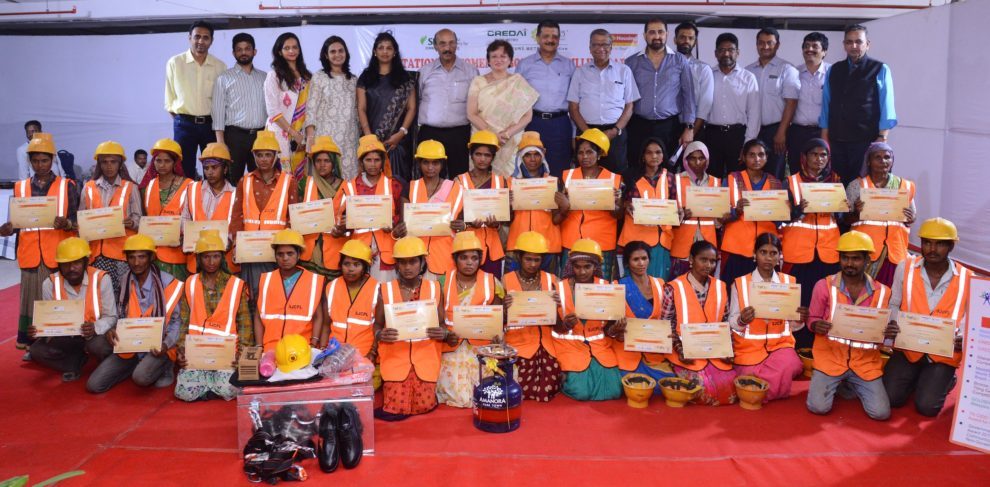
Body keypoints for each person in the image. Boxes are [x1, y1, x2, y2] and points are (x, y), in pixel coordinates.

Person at [806, 230, 896, 421]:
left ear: (867, 260)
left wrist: (889, 334)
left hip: (865, 362)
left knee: (881, 413)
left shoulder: (883, 292)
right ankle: (841, 383)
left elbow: (886, 336)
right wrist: (815, 325)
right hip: (830, 358)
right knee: (818, 407)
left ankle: (847, 384)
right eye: (845, 258)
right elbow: (812, 318)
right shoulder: (823, 286)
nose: (849, 263)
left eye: (856, 259)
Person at [885, 218, 971, 417]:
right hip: (908, 349)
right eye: (927, 242)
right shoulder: (905, 267)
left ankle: (947, 380)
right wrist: (894, 323)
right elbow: (894, 303)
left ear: (951, 246)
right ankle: (920, 378)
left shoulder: (967, 277)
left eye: (940, 243)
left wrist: (963, 339)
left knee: (927, 407)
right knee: (891, 398)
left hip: (942, 354)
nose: (932, 249)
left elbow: (969, 317)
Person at [1, 133, 79, 352]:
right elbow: (17, 221)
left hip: (58, 253)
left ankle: (56, 344)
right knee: (30, 299)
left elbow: (77, 220)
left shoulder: (67, 186)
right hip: (30, 252)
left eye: (44, 160)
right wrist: (9, 228)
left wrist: (67, 223)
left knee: (56, 298)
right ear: (29, 161)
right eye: (35, 160)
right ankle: (31, 344)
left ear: (52, 159)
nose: (40, 165)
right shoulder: (21, 187)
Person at [87, 234, 184, 394]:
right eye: (131, 257)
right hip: (131, 346)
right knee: (94, 385)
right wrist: (113, 329)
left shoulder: (168, 283)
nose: (136, 263)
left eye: (141, 257)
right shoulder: (125, 280)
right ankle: (132, 365)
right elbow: (121, 315)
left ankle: (165, 366)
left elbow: (176, 323)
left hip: (159, 345)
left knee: (141, 378)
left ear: (151, 257)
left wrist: (166, 345)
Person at [374, 236, 447, 420]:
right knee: (394, 408)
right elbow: (377, 325)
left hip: (424, 357)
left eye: (413, 261)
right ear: (396, 265)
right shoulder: (385, 289)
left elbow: (443, 324)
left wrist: (443, 332)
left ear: (422, 262)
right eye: (403, 262)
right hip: (396, 357)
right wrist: (380, 334)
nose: (408, 267)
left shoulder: (435, 287)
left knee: (425, 405)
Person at [175, 230, 253, 401]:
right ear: (198, 258)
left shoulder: (236, 284)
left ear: (222, 257)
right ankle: (211, 386)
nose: (211, 262)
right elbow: (184, 321)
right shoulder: (190, 282)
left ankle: (208, 387)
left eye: (216, 256)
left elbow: (245, 325)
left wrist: (240, 356)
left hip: (227, 355)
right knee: (183, 392)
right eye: (206, 257)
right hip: (197, 355)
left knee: (230, 389)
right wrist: (181, 351)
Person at [729, 233, 807, 402]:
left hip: (780, 348)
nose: (768, 258)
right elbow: (732, 322)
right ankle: (770, 386)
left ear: (779, 257)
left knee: (790, 364)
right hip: (748, 351)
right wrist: (742, 320)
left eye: (773, 253)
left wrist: (800, 319)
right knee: (758, 373)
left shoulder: (789, 282)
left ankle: (753, 391)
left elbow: (793, 327)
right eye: (763, 252)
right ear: (754, 255)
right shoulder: (740, 283)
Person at [28, 238, 116, 382]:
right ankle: (75, 363)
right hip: (65, 338)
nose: (71, 268)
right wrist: (38, 331)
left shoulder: (101, 279)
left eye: (76, 263)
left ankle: (76, 359)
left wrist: (94, 327)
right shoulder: (49, 284)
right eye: (66, 264)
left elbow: (112, 316)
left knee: (102, 348)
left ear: (85, 262)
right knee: (36, 351)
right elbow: (48, 321)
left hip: (93, 336)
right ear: (59, 266)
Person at [781, 138, 842, 348]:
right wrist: (797, 210)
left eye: (823, 155)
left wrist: (846, 208)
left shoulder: (835, 181)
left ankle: (823, 347)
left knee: (825, 302)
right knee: (799, 304)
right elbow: (777, 217)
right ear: (804, 158)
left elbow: (842, 219)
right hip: (798, 253)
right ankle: (798, 347)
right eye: (814, 154)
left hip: (829, 253)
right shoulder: (789, 183)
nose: (819, 159)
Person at [821, 25, 897, 185]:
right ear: (844, 45)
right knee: (837, 186)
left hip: (866, 141)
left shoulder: (880, 69)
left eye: (858, 42)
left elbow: (887, 105)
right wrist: (824, 135)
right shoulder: (834, 69)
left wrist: (882, 137)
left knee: (861, 188)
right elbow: (827, 104)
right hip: (836, 140)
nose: (853, 46)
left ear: (867, 44)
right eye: (849, 42)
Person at [437, 231, 504, 408]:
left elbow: (497, 319)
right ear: (455, 259)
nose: (469, 262)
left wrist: (497, 336)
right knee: (460, 395)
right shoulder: (442, 281)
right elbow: (438, 319)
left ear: (480, 260)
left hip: (481, 344)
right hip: (452, 344)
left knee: (488, 385)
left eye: (474, 258)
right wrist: (445, 333)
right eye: (464, 257)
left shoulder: (492, 282)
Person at [230, 130, 299, 302]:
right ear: (254, 156)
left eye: (268, 155)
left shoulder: (288, 182)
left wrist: (288, 249)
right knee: (253, 296)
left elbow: (293, 218)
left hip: (277, 252)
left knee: (276, 296)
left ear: (276, 156)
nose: (264, 159)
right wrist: (235, 245)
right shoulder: (244, 181)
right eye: (260, 155)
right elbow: (237, 217)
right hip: (250, 252)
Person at [665, 240, 737, 406]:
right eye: (703, 260)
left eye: (712, 261)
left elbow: (725, 322)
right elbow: (666, 324)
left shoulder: (720, 286)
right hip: (684, 352)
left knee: (731, 389)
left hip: (714, 352)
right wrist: (680, 349)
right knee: (703, 389)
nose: (708, 265)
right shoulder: (674, 287)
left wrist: (729, 349)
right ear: (691, 259)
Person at [554, 239, 622, 401]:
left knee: (615, 390)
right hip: (570, 347)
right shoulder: (559, 288)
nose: (582, 272)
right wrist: (565, 325)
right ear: (571, 266)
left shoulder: (606, 287)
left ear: (595, 267)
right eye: (577, 267)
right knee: (580, 392)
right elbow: (554, 327)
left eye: (587, 267)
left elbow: (608, 328)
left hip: (599, 347)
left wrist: (616, 327)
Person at [625, 18, 696, 172]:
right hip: (638, 125)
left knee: (668, 169)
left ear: (667, 35)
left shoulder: (680, 60)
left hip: (669, 127)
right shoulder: (631, 63)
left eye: (660, 32)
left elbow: (688, 96)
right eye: (652, 32)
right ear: (645, 36)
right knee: (637, 167)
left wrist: (689, 127)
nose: (656, 36)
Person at [568, 29, 640, 175]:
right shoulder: (580, 72)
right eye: (596, 44)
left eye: (605, 44)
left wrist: (615, 130)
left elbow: (630, 105)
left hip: (614, 133)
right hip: (586, 133)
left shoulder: (624, 71)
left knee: (617, 175)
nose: (601, 48)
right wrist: (589, 134)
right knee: (585, 175)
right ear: (589, 48)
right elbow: (573, 107)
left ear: (611, 47)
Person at [503, 231, 563, 402]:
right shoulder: (505, 280)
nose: (532, 264)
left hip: (544, 341)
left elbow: (560, 325)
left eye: (537, 260)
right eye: (528, 259)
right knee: (517, 379)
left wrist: (558, 306)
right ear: (519, 258)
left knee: (549, 380)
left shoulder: (553, 280)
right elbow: (500, 320)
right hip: (517, 341)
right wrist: (505, 308)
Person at [846, 142, 915, 286]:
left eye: (887, 157)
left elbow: (912, 217)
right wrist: (856, 213)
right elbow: (845, 220)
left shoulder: (906, 186)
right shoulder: (856, 186)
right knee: (865, 294)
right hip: (865, 250)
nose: (883, 161)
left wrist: (911, 217)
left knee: (891, 295)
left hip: (895, 250)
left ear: (892, 161)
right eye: (877, 157)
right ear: (869, 161)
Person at [557, 129, 623, 280]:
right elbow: (558, 210)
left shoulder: (615, 179)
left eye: (589, 152)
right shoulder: (566, 176)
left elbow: (619, 215)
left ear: (599, 154)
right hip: (571, 240)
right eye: (580, 152)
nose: (584, 156)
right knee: (569, 287)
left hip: (602, 242)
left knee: (600, 289)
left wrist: (614, 203)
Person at [467, 40, 538, 178]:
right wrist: (492, 135)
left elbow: (527, 116)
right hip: (483, 139)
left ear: (510, 60)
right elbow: (471, 113)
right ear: (488, 60)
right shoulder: (478, 82)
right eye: (494, 56)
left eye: (503, 56)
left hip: (509, 142)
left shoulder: (518, 82)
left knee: (509, 183)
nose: (498, 60)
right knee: (481, 179)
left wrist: (506, 134)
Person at [165, 21, 225, 179]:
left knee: (214, 170)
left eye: (206, 37)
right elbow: (170, 100)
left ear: (211, 41)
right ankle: (187, 203)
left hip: (210, 125)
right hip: (184, 125)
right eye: (197, 36)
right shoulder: (175, 63)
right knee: (184, 171)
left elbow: (222, 102)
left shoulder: (220, 66)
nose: (201, 41)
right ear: (189, 38)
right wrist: (184, 119)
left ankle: (211, 203)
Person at [80, 141, 142, 297]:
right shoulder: (88, 187)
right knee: (100, 297)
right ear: (99, 164)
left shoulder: (130, 187)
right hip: (96, 254)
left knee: (122, 296)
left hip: (121, 254)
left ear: (120, 163)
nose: (109, 166)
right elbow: (81, 218)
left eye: (113, 162)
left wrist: (132, 222)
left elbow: (139, 219)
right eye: (104, 162)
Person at [394, 140, 462, 279]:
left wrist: (463, 225)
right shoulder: (410, 187)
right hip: (414, 259)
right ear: (419, 163)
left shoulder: (456, 188)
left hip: (446, 255)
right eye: (426, 162)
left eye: (435, 163)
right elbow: (402, 224)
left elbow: (463, 222)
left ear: (442, 164)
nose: (430, 167)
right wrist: (397, 231)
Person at [613, 241, 676, 388]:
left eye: (644, 258)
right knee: (629, 383)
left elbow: (669, 317)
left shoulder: (661, 284)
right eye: (636, 259)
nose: (641, 263)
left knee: (668, 383)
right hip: (627, 347)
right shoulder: (617, 286)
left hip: (656, 348)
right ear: (627, 263)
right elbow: (613, 324)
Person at [340, 135, 403, 282]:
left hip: (385, 252)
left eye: (377, 160)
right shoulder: (349, 186)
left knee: (385, 294)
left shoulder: (394, 185)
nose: (373, 164)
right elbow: (338, 218)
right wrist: (344, 224)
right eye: (368, 160)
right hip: (357, 252)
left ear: (383, 162)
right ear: (361, 162)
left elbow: (402, 218)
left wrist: (394, 226)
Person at [517, 20, 576, 177]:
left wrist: (574, 133)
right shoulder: (524, 65)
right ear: (537, 38)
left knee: (560, 169)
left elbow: (574, 103)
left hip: (560, 124)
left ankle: (558, 201)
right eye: (546, 36)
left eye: (555, 37)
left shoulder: (569, 65)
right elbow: (515, 100)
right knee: (531, 168)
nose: (550, 40)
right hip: (533, 122)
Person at [720, 139, 783, 286]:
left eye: (761, 155)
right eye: (752, 155)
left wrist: (780, 212)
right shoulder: (731, 179)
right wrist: (736, 211)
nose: (757, 159)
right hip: (735, 248)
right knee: (733, 294)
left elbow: (781, 222)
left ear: (767, 157)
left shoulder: (776, 183)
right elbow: (719, 216)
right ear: (743, 157)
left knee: (763, 297)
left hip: (766, 251)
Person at [417, 29, 478, 178]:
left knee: (460, 178)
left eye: (451, 43)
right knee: (430, 180)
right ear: (435, 46)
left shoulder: (471, 72)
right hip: (430, 133)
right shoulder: (424, 72)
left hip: (460, 134)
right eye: (442, 43)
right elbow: (416, 100)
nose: (447, 48)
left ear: (457, 44)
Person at [254, 229, 327, 351]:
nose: (285, 258)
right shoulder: (266, 279)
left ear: (299, 254)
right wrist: (259, 346)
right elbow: (258, 315)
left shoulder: (313, 280)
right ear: (275, 256)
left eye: (290, 253)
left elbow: (318, 316)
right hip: (270, 349)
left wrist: (313, 343)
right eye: (280, 254)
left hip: (301, 350)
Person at [357, 33, 416, 183]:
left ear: (395, 52)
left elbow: (411, 108)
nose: (385, 51)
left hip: (397, 142)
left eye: (389, 48)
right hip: (370, 140)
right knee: (370, 184)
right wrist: (370, 139)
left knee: (397, 184)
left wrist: (401, 133)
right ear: (375, 51)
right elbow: (361, 108)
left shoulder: (405, 78)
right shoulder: (366, 77)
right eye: (381, 48)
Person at [701, 33, 760, 179]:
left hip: (738, 135)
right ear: (716, 53)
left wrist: (747, 144)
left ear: (737, 53)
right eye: (721, 50)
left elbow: (754, 114)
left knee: (739, 179)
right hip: (712, 135)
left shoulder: (748, 77)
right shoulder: (708, 75)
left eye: (730, 50)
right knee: (712, 179)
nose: (726, 53)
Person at [212, 32, 267, 185]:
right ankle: (232, 209)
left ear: (254, 51)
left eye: (247, 48)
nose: (243, 52)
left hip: (260, 136)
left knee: (261, 180)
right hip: (234, 137)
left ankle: (259, 210)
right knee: (231, 180)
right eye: (239, 49)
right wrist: (220, 143)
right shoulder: (223, 78)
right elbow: (218, 113)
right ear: (234, 53)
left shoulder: (265, 77)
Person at [745, 27, 800, 180]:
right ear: (756, 45)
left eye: (770, 43)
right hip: (752, 130)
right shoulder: (748, 71)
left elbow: (792, 102)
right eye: (761, 43)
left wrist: (781, 133)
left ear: (777, 45)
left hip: (775, 131)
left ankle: (772, 204)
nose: (765, 46)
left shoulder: (787, 69)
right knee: (751, 174)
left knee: (774, 173)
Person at [506, 131, 562, 273]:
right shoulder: (510, 183)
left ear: (542, 156)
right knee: (515, 290)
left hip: (547, 247)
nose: (532, 159)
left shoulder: (553, 182)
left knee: (548, 291)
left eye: (536, 154)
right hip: (518, 247)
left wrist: (564, 208)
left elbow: (557, 219)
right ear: (521, 158)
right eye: (527, 155)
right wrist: (507, 205)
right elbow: (507, 220)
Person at [619, 137, 674, 280]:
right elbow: (619, 204)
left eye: (658, 152)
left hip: (660, 241)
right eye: (649, 153)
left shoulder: (671, 178)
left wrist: (679, 211)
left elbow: (676, 204)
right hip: (635, 241)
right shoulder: (629, 176)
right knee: (634, 287)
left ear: (663, 156)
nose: (654, 156)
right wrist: (625, 205)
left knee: (658, 284)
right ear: (643, 156)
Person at [306, 36, 360, 181]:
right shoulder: (319, 77)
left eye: (341, 51)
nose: (337, 55)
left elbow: (357, 111)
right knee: (324, 181)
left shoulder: (354, 80)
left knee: (348, 181)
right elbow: (311, 109)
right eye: (333, 51)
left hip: (349, 140)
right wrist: (310, 139)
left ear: (346, 53)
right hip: (325, 139)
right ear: (326, 55)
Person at [182, 143, 238, 275]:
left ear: (225, 169)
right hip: (196, 260)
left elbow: (237, 225)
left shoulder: (236, 194)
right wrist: (188, 237)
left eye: (214, 167)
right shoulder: (192, 189)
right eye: (206, 168)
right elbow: (185, 219)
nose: (210, 172)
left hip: (226, 263)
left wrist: (229, 241)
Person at [456, 131, 507, 278]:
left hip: (492, 247)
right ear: (471, 155)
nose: (482, 159)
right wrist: (467, 224)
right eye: (478, 154)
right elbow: (454, 218)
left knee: (492, 291)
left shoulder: (500, 182)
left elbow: (507, 218)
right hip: (466, 249)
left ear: (493, 158)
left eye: (487, 155)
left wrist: (496, 224)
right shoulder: (459, 181)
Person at [297, 136, 348, 279]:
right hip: (308, 250)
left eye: (327, 161)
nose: (322, 165)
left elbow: (351, 220)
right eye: (318, 161)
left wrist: (344, 227)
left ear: (334, 163)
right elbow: (294, 213)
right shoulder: (304, 184)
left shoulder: (347, 187)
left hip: (335, 247)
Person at [143, 138, 193, 279]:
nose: (162, 165)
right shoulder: (150, 185)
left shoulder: (189, 185)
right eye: (158, 161)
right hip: (153, 254)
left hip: (178, 254)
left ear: (175, 163)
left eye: (167, 161)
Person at [264, 32, 312, 179]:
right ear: (279, 51)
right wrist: (293, 133)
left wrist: (304, 136)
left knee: (301, 179)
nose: (291, 51)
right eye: (287, 48)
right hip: (280, 135)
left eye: (295, 47)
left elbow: (311, 108)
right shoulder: (274, 76)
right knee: (282, 178)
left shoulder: (307, 77)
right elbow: (273, 111)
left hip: (302, 136)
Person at [670, 141, 720, 278]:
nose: (697, 162)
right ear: (685, 160)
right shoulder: (675, 180)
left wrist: (722, 218)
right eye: (692, 158)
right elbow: (667, 212)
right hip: (682, 241)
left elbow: (719, 219)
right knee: (680, 284)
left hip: (708, 239)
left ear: (707, 159)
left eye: (701, 158)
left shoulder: (716, 182)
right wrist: (679, 215)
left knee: (705, 285)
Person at [323, 240, 378, 358]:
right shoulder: (331, 286)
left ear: (365, 267)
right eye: (346, 264)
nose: (350, 269)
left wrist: (372, 353)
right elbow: (326, 324)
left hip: (363, 354)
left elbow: (380, 326)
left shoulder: (377, 289)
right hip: (334, 355)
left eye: (356, 264)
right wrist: (322, 350)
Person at [787, 32, 831, 177]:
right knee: (796, 171)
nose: (809, 49)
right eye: (806, 46)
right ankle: (797, 200)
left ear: (824, 51)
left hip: (823, 132)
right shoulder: (793, 72)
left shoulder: (832, 73)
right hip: (798, 132)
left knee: (823, 172)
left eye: (815, 46)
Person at [674, 22, 714, 144]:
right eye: (682, 37)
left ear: (695, 42)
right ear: (675, 40)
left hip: (694, 127)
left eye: (690, 38)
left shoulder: (703, 69)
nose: (686, 41)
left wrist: (692, 131)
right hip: (668, 126)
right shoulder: (666, 66)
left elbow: (704, 106)